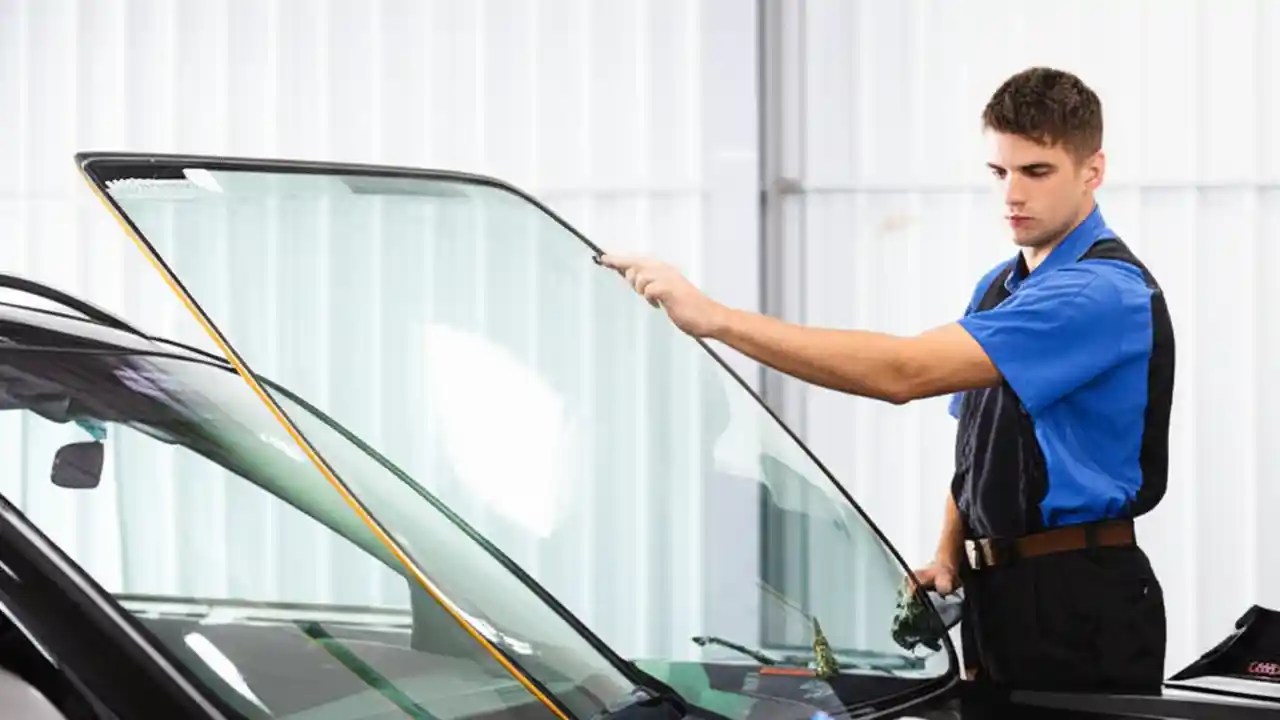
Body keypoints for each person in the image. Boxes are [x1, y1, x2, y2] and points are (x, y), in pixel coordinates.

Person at [600, 66, 1173, 694]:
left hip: (1080, 597)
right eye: (999, 172)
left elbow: (903, 372)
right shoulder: (1000, 287)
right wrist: (949, 555)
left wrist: (716, 319)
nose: (1013, 194)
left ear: (1093, 171)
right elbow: (979, 446)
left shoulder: (1100, 293)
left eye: (1036, 172)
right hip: (998, 592)